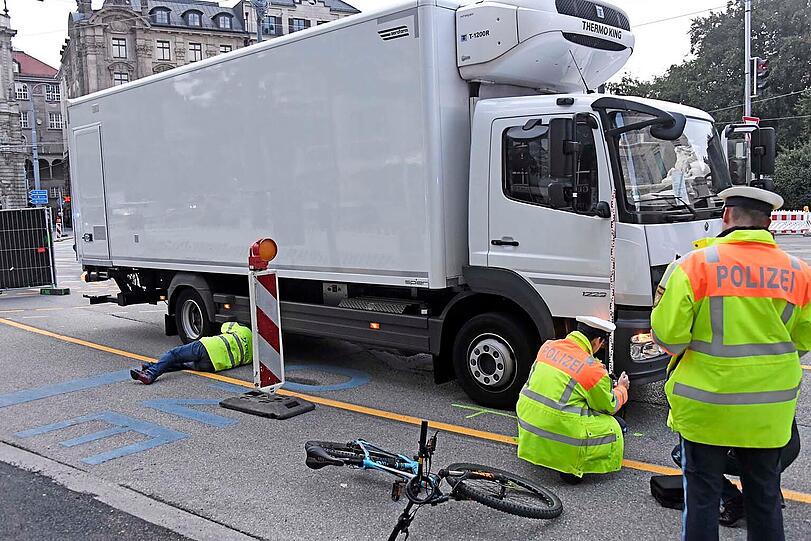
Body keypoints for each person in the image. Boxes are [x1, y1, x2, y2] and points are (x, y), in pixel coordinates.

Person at [651, 186, 810, 541]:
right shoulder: (800, 272)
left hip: (706, 406)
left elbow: (669, 339)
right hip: (767, 411)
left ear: (726, 216)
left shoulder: (694, 266)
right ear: (769, 223)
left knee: (703, 498)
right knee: (765, 497)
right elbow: (804, 340)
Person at [516, 316, 630, 484]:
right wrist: (621, 389)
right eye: (602, 344)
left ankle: (541, 453)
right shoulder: (593, 369)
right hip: (559, 430)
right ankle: (571, 469)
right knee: (618, 425)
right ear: (597, 341)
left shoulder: (548, 347)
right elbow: (609, 406)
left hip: (528, 421)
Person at [670, 419, 801, 527]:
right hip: (787, 447)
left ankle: (734, 501)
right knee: (764, 463)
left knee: (682, 455)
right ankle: (769, 489)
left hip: (752, 451)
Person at [130, 322, 252, 384]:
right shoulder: (252, 356)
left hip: (208, 347)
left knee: (174, 354)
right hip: (213, 365)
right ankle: (150, 367)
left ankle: (150, 374)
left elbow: (224, 327)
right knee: (182, 364)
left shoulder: (245, 330)